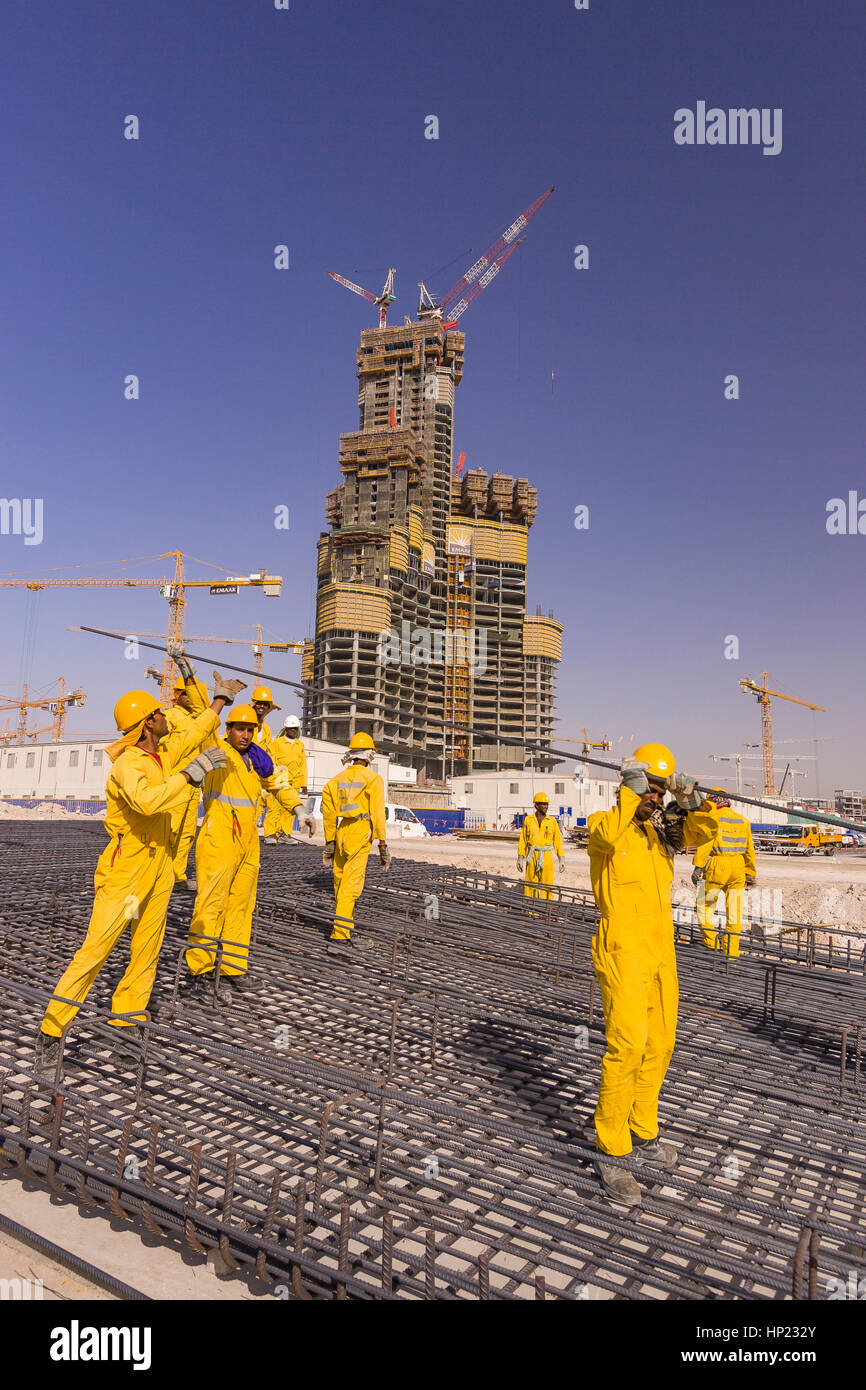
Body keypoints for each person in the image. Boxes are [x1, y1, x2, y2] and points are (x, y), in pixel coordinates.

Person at [35, 675, 243, 1073]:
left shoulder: (161, 754)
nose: (167, 716)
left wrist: (219, 700)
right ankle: (52, 1030)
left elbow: (196, 731)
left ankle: (128, 1021)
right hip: (127, 871)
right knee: (96, 951)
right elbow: (148, 803)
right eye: (160, 713)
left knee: (146, 951)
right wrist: (191, 774)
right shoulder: (129, 766)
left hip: (160, 866)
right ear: (148, 722)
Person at [587, 743, 717, 1206]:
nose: (655, 798)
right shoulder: (610, 825)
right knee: (627, 1045)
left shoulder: (659, 832)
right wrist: (631, 795)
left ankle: (643, 1131)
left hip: (660, 948)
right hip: (622, 946)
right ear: (634, 782)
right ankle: (612, 1147)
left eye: (662, 790)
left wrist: (693, 804)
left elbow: (700, 835)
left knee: (660, 1043)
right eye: (652, 788)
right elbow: (600, 835)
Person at [184, 705, 315, 1001]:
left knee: (241, 906)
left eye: (250, 729)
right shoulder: (217, 750)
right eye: (239, 728)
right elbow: (203, 720)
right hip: (219, 836)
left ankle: (233, 967)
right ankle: (200, 971)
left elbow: (279, 784)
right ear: (228, 729)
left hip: (247, 841)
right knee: (210, 904)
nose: (245, 734)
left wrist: (299, 809)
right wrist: (213, 694)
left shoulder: (258, 759)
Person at [321, 732, 389, 958]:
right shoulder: (372, 779)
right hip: (361, 831)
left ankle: (344, 928)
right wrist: (382, 842)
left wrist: (330, 841)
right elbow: (378, 812)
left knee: (340, 882)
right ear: (369, 755)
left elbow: (329, 814)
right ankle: (340, 936)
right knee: (351, 886)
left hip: (341, 831)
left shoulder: (335, 780)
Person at [163, 647, 212, 892]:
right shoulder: (170, 716)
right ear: (180, 695)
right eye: (189, 695)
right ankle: (161, 873)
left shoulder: (197, 718)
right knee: (170, 830)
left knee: (187, 833)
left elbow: (207, 711)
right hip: (177, 781)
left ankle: (177, 874)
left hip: (195, 783)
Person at [692, 789, 756, 959]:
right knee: (734, 912)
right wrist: (750, 873)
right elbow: (750, 850)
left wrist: (698, 866)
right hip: (738, 867)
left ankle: (712, 942)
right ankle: (731, 951)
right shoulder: (743, 821)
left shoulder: (714, 818)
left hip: (717, 865)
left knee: (704, 907)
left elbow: (706, 844)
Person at [263, 713, 308, 845]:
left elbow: (303, 764)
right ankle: (270, 834)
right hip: (280, 779)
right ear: (286, 729)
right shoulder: (277, 743)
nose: (293, 730)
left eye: (295, 728)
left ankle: (285, 834)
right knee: (274, 807)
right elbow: (271, 760)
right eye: (290, 728)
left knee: (290, 809)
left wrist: (304, 784)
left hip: (295, 781)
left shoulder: (300, 745)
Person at [517, 792, 565, 899]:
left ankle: (545, 913)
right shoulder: (528, 820)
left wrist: (561, 858)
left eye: (546, 804)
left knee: (547, 886)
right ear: (536, 805)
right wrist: (520, 857)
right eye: (543, 804)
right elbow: (523, 840)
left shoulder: (552, 821)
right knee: (530, 885)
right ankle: (531, 912)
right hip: (531, 856)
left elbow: (557, 841)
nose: (545, 806)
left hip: (546, 856)